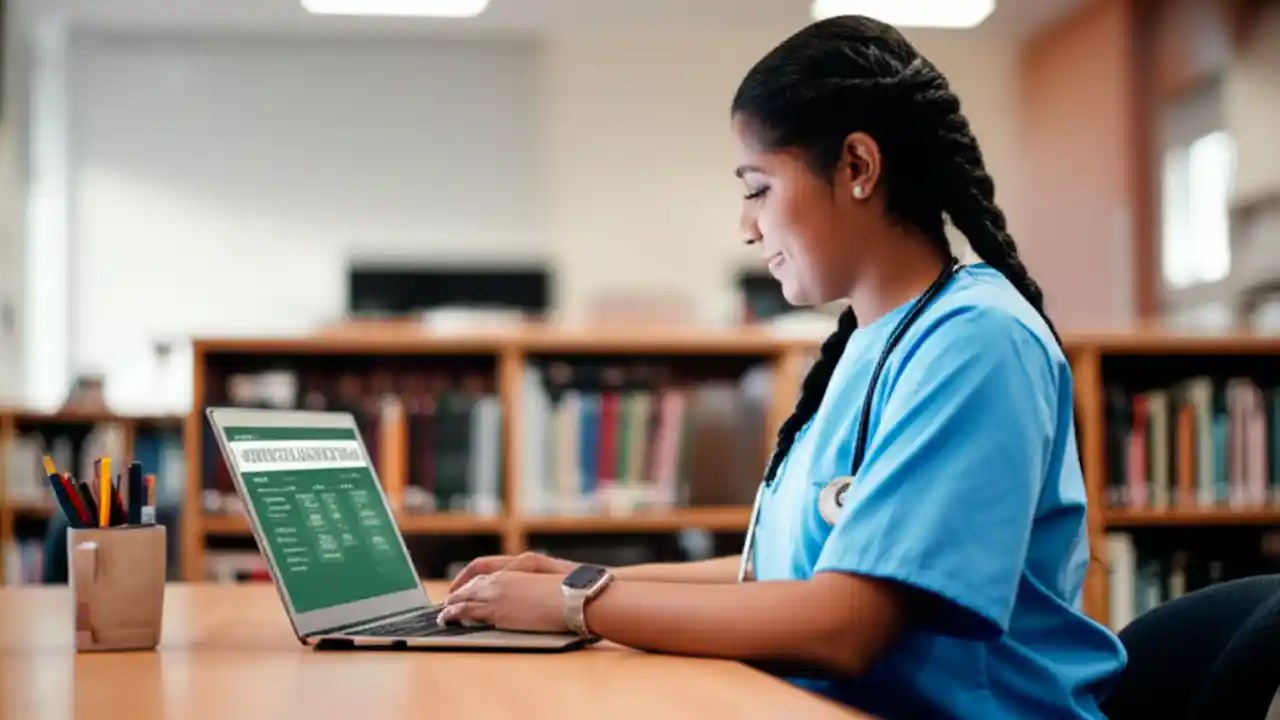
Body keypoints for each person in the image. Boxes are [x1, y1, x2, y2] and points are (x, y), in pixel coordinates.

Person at [441, 15, 1126, 718]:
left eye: (759, 187)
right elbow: (775, 577)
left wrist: (578, 606)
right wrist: (587, 578)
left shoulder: (977, 341)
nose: (747, 226)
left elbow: (845, 624)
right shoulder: (866, 344)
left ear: (858, 167)